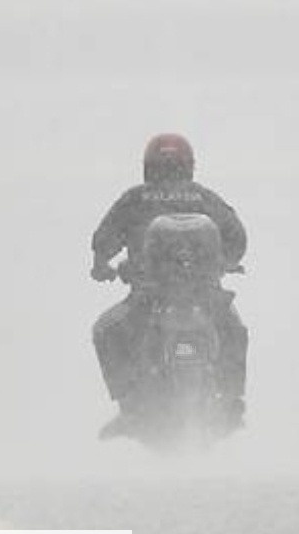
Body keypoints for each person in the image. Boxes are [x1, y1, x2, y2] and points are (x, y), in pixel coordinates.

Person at [90, 133, 248, 438]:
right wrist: (227, 261)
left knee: (104, 330)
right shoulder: (205, 198)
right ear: (188, 166)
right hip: (207, 297)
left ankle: (128, 407)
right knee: (235, 330)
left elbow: (104, 240)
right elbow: (237, 237)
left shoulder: (134, 199)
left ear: (148, 167)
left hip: (148, 299)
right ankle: (233, 403)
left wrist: (102, 265)